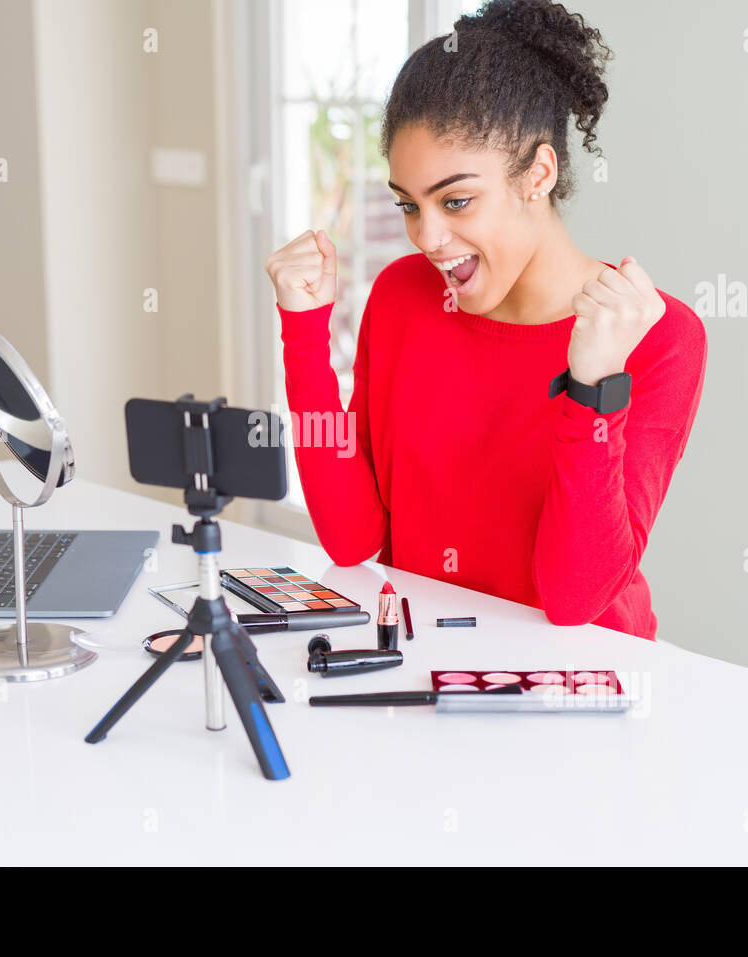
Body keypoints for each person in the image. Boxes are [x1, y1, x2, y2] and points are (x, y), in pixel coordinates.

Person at [263, 0, 707, 642]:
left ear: (538, 173)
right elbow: (350, 537)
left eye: (458, 200)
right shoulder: (402, 297)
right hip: (422, 665)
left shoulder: (656, 336)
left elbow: (574, 598)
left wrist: (592, 388)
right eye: (409, 206)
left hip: (581, 682)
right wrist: (303, 336)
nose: (428, 237)